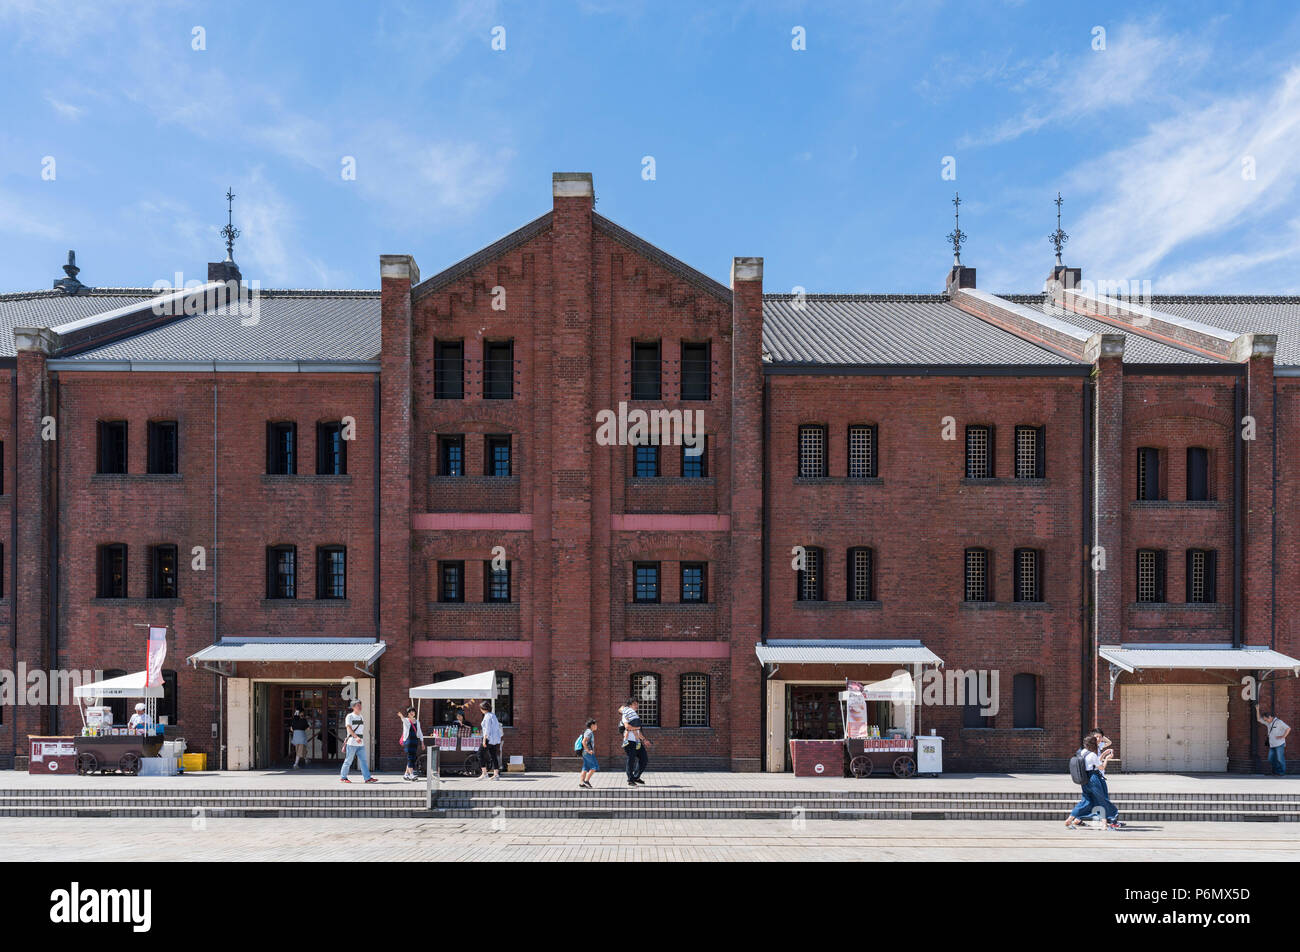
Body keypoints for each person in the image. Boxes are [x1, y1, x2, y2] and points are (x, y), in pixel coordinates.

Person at [1067, 734, 1122, 829]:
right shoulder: (1092, 755)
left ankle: (1070, 819)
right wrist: (1107, 759)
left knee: (1086, 801)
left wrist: (1103, 754)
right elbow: (1101, 767)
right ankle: (1105, 824)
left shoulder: (1082, 752)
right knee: (1101, 800)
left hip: (1084, 779)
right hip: (1093, 778)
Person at [339, 700, 376, 783]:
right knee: (348, 760)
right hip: (352, 742)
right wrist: (356, 737)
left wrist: (359, 739)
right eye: (358, 705)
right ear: (353, 707)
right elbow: (348, 728)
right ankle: (343, 777)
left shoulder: (361, 717)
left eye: (360, 705)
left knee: (363, 761)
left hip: (360, 743)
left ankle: (367, 778)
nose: (360, 707)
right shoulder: (349, 716)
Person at [620, 700, 651, 786]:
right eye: (634, 704)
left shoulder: (635, 716)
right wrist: (636, 728)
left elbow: (638, 731)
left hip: (637, 741)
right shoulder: (625, 715)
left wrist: (644, 740)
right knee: (631, 760)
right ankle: (630, 780)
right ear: (629, 706)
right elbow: (627, 726)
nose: (637, 706)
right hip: (629, 742)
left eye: (637, 704)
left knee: (644, 759)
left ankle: (636, 777)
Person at [1257, 708, 1291, 776]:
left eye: (1266, 719)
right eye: (1265, 720)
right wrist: (1257, 710)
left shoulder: (1279, 722)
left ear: (1270, 717)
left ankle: (1281, 772)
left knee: (1280, 759)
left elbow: (1288, 728)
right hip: (1272, 745)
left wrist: (1283, 736)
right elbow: (1258, 719)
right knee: (1270, 759)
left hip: (1279, 744)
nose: (1265, 721)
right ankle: (1276, 771)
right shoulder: (1268, 723)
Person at [477, 700, 503, 780]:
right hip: (494, 739)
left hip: (488, 738)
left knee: (480, 754)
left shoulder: (487, 716)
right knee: (493, 756)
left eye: (481, 708)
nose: (480, 710)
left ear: (484, 708)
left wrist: (484, 740)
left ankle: (484, 773)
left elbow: (487, 729)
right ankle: (496, 775)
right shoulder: (493, 715)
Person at [398, 707, 425, 781]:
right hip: (408, 741)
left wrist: (422, 742)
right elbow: (403, 720)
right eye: (410, 712)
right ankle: (411, 775)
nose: (412, 713)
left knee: (412, 758)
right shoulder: (406, 720)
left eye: (413, 712)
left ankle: (406, 774)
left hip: (415, 741)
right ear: (408, 714)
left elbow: (419, 733)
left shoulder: (417, 722)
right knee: (410, 758)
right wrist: (401, 716)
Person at [579, 719, 599, 788]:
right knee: (594, 767)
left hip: (585, 753)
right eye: (595, 724)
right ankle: (586, 781)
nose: (596, 726)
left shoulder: (588, 731)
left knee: (585, 768)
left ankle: (581, 783)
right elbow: (584, 742)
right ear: (592, 725)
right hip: (587, 753)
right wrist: (588, 750)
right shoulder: (589, 732)